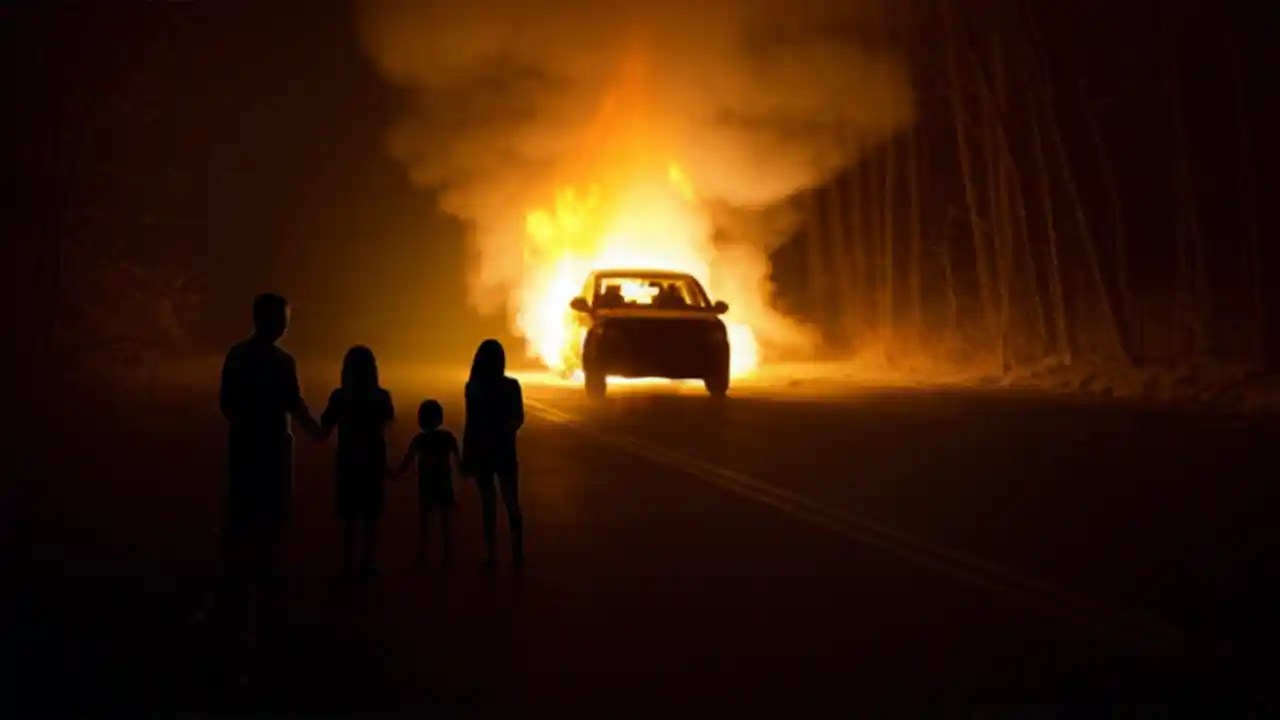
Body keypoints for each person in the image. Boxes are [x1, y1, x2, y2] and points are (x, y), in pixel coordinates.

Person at [219, 293, 322, 595]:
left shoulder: (236, 356)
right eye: (284, 319)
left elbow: (226, 401)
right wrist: (313, 428)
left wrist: (243, 422)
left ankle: (238, 574)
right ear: (276, 322)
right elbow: (292, 401)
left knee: (242, 504)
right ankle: (269, 574)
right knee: (273, 509)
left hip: (244, 441)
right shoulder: (282, 362)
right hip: (274, 444)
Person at [319, 346, 394, 578]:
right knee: (370, 516)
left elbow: (325, 425)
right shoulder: (381, 396)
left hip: (348, 459)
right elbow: (388, 422)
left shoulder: (339, 397)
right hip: (372, 459)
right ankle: (368, 562)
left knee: (350, 515)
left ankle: (348, 561)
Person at [463, 339, 525, 570]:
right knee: (512, 504)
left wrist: (466, 455)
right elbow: (519, 418)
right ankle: (517, 555)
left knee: (488, 506)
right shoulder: (511, 386)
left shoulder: (473, 387)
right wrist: (506, 429)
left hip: (482, 450)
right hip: (505, 451)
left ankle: (491, 556)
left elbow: (470, 424)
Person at [394, 400, 460, 568]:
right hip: (444, 482)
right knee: (444, 520)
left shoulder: (419, 440)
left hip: (426, 483)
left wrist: (393, 473)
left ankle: (423, 556)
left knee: (425, 521)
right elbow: (459, 461)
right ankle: (446, 556)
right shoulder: (448, 438)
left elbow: (407, 461)